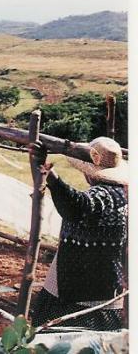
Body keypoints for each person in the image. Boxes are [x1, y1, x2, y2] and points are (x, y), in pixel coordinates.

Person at [30, 137, 127, 330]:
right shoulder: (123, 194)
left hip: (82, 292)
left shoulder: (105, 196)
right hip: (106, 286)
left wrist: (50, 175)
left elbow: (77, 207)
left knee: (62, 338)